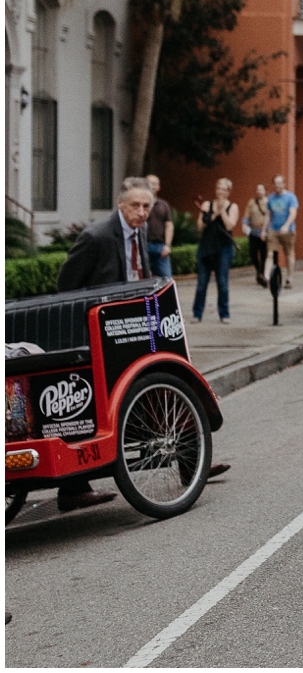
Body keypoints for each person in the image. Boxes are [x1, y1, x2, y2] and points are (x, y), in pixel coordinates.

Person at [52, 176, 157, 512]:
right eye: (136, 206)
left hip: (130, 327)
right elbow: (66, 287)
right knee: (85, 407)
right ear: (120, 204)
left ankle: (188, 455)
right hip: (95, 333)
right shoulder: (96, 236)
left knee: (158, 382)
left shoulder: (139, 233)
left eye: (147, 207)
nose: (142, 213)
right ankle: (72, 490)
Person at [193, 178, 240, 324]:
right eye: (218, 188)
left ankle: (224, 313)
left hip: (224, 248)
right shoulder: (207, 204)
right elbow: (200, 224)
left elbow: (230, 226)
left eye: (224, 189)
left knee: (222, 282)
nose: (220, 191)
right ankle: (197, 313)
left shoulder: (233, 207)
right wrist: (214, 213)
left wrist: (222, 211)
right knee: (202, 282)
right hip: (207, 246)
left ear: (229, 192)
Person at [266, 175, 299, 288]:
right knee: (270, 253)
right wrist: (264, 229)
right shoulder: (270, 198)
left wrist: (286, 225)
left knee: (289, 254)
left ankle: (289, 278)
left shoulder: (290, 197)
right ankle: (267, 277)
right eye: (275, 183)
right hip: (273, 229)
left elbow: (293, 213)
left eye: (280, 183)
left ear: (284, 184)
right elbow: (268, 214)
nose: (277, 186)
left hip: (288, 230)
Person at [144, 174, 174, 279]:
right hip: (143, 245)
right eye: (150, 183)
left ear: (159, 187)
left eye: (155, 184)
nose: (152, 186)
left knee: (167, 279)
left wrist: (167, 245)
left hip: (160, 246)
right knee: (143, 279)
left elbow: (169, 224)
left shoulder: (164, 205)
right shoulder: (141, 204)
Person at [244, 183, 270, 286]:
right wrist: (244, 224)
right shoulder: (252, 202)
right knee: (253, 253)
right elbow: (247, 214)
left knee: (264, 254)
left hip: (265, 232)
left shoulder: (269, 202)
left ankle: (262, 273)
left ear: (265, 191)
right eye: (257, 189)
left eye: (261, 189)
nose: (259, 191)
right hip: (254, 232)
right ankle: (258, 271)